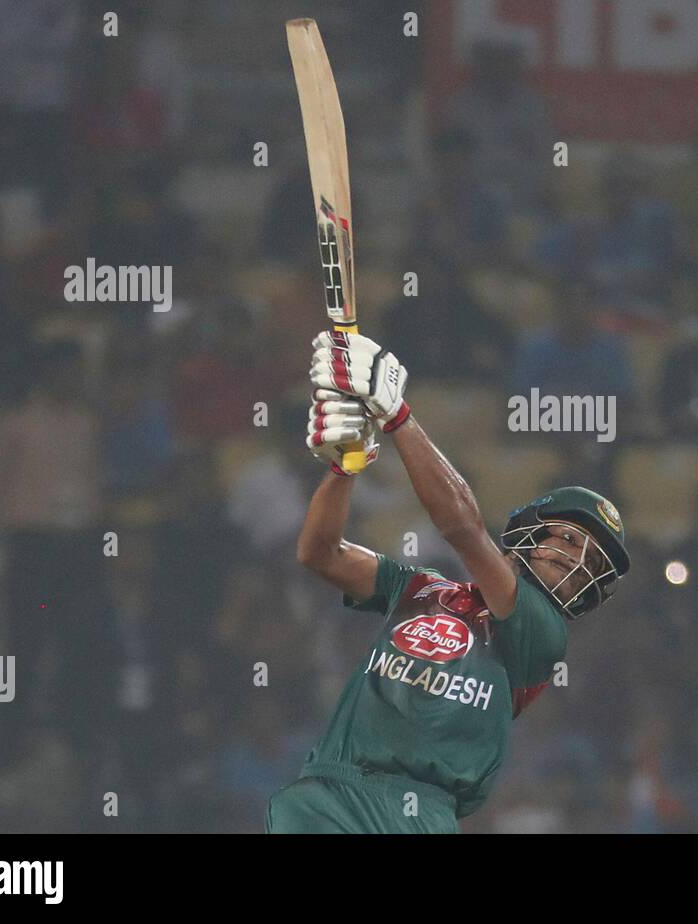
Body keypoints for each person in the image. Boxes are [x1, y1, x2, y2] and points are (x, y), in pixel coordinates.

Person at [266, 331, 631, 833]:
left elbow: (462, 528)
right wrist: (346, 466)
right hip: (322, 793)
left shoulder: (541, 633)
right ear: (527, 536)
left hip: (416, 811)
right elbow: (319, 553)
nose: (580, 564)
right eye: (570, 540)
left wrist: (397, 416)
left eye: (593, 562)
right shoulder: (420, 588)